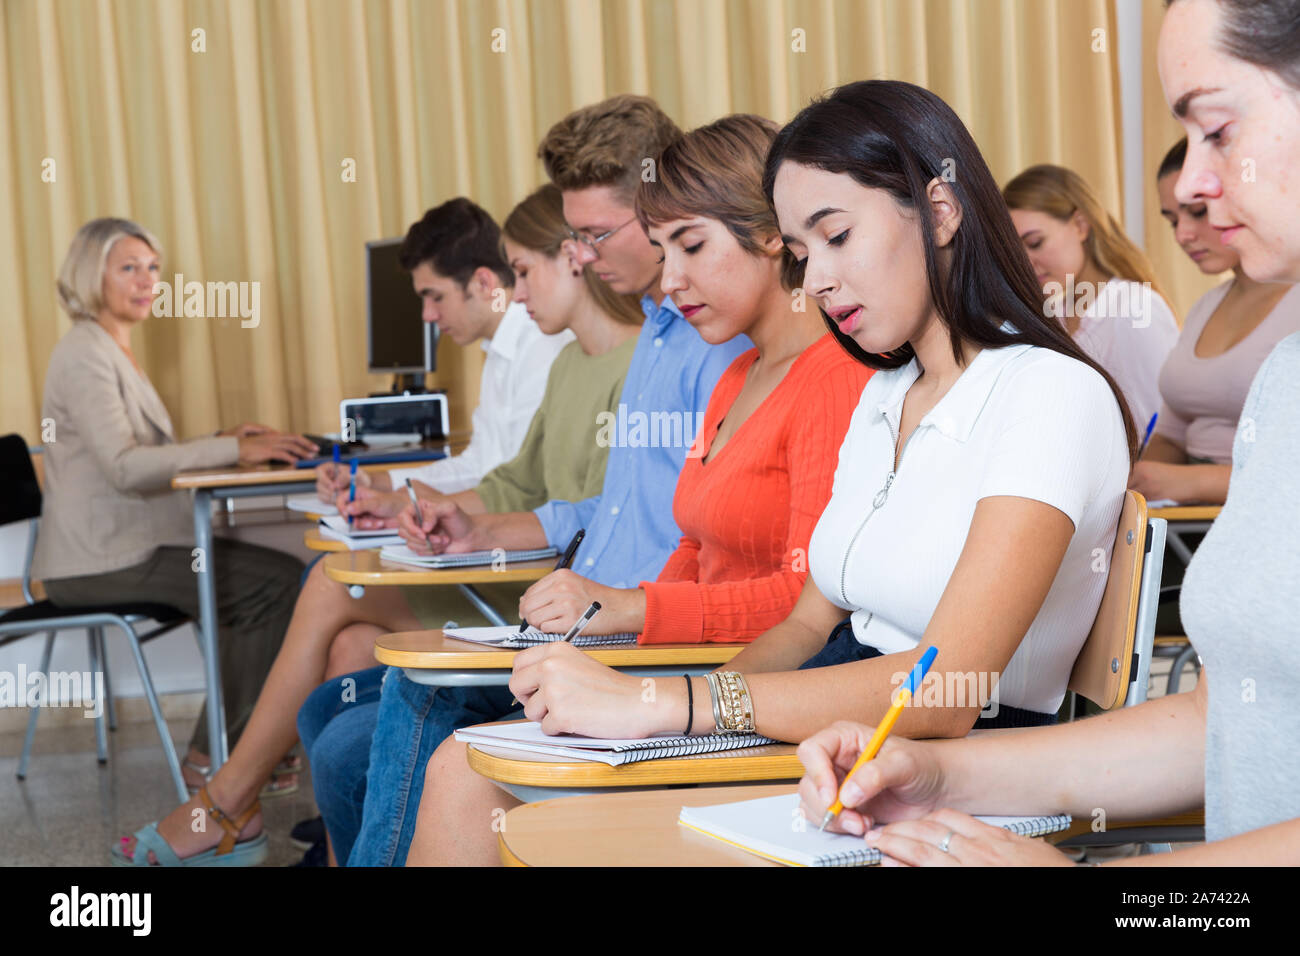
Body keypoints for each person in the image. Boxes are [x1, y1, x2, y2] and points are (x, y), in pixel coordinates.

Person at [408, 80, 1137, 866]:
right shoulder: (888, 393)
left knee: (480, 782)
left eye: (836, 236)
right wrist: (665, 725)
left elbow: (944, 690)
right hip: (837, 725)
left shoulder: (1049, 393)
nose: (815, 279)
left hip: (937, 766)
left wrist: (672, 701)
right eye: (799, 253)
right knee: (466, 771)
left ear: (940, 210)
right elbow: (802, 624)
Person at [794, 0, 1300, 867]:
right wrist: (940, 777)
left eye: (1216, 129)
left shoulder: (1053, 387)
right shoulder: (1285, 377)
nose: (1187, 186)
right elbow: (1229, 721)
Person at [111, 184, 642, 866]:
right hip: (519, 568)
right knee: (350, 641)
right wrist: (398, 498)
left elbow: (569, 513)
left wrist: (421, 505)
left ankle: (229, 800)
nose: (426, 316)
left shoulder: (569, 355)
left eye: (523, 273)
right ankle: (332, 839)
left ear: (572, 261)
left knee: (335, 584)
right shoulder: (565, 358)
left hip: (542, 593)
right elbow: (507, 477)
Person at [301, 94, 751, 867]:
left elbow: (706, 549)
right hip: (593, 621)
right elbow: (607, 506)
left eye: (594, 235)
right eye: (572, 237)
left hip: (633, 643)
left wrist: (609, 609)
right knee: (366, 710)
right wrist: (483, 531)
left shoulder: (715, 343)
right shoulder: (663, 333)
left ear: (660, 210)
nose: (579, 256)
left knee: (399, 705)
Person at [36, 218, 316, 802]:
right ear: (93, 275)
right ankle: (216, 759)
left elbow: (138, 455)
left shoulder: (111, 348)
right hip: (97, 563)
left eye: (153, 268)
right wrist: (231, 450)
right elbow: (124, 466)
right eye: (129, 267)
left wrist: (222, 437)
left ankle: (232, 751)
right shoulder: (85, 354)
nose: (147, 281)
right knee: (274, 585)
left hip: (123, 549)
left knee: (273, 578)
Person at [314, 197, 573, 507]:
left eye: (435, 297)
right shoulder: (501, 349)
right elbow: (478, 466)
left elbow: (520, 491)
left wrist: (405, 505)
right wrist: (376, 482)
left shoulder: (542, 345)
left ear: (483, 283)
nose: (427, 315)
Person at [1130, 138, 1300, 506]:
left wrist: (1192, 482)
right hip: (1184, 522)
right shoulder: (1206, 306)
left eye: (1197, 212)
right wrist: (1134, 490)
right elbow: (1172, 434)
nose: (1182, 235)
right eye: (1172, 220)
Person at [1004, 164, 1180, 431]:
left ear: (1080, 225)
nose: (1027, 262)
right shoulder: (1054, 316)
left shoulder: (1134, 310)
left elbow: (1162, 430)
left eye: (1035, 242)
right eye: (1017, 251)